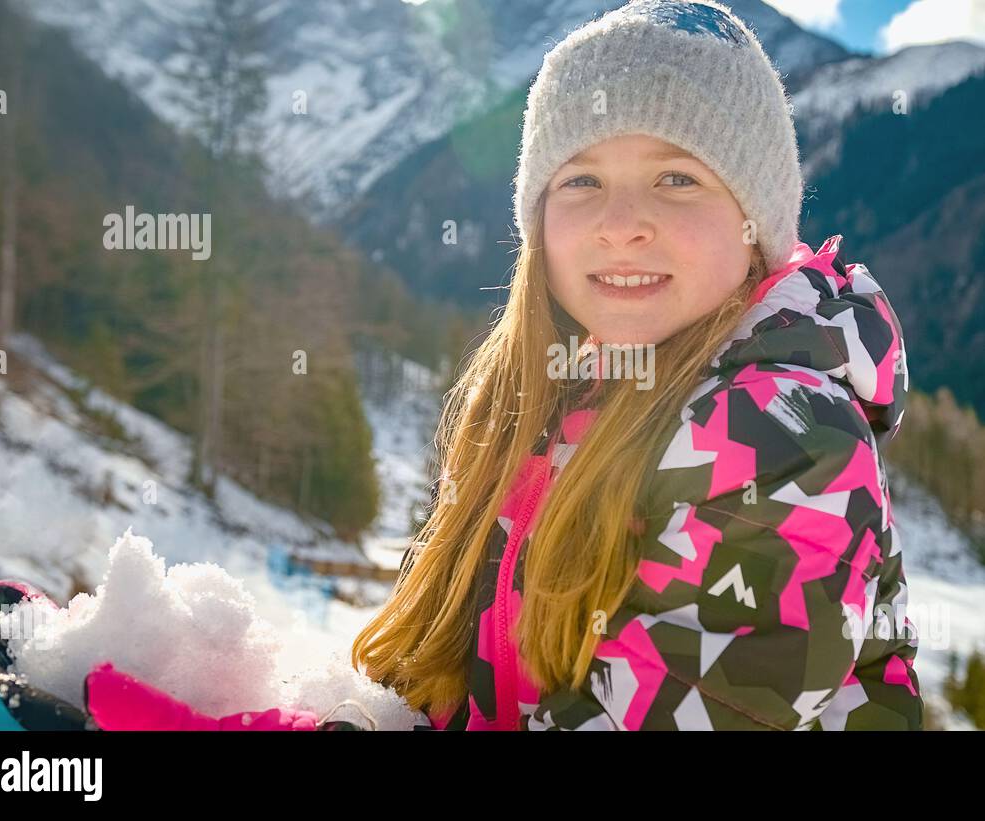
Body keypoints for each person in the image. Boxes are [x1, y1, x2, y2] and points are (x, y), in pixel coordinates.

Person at [352, 0, 922, 731]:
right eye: (581, 181)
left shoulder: (785, 436)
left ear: (758, 230)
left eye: (676, 179)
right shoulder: (545, 400)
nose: (620, 225)